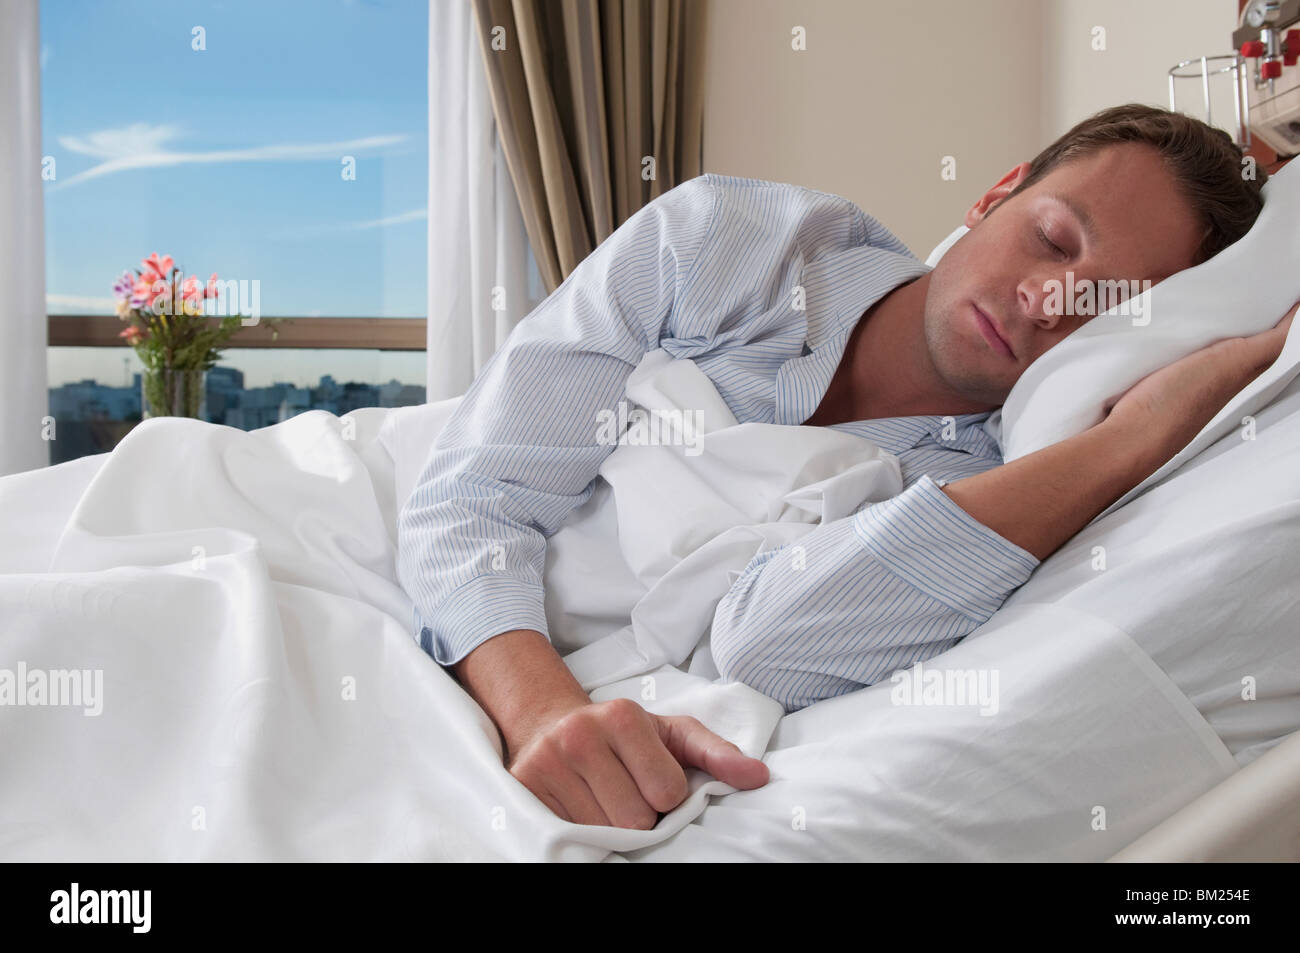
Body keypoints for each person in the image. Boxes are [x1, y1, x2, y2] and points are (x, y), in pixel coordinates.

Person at [397, 103, 1293, 830]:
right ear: (995, 193)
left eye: (1103, 309)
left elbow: (768, 646)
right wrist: (545, 711)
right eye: (1054, 241)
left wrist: (1125, 442)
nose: (1047, 299)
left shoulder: (993, 487)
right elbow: (476, 495)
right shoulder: (725, 242)